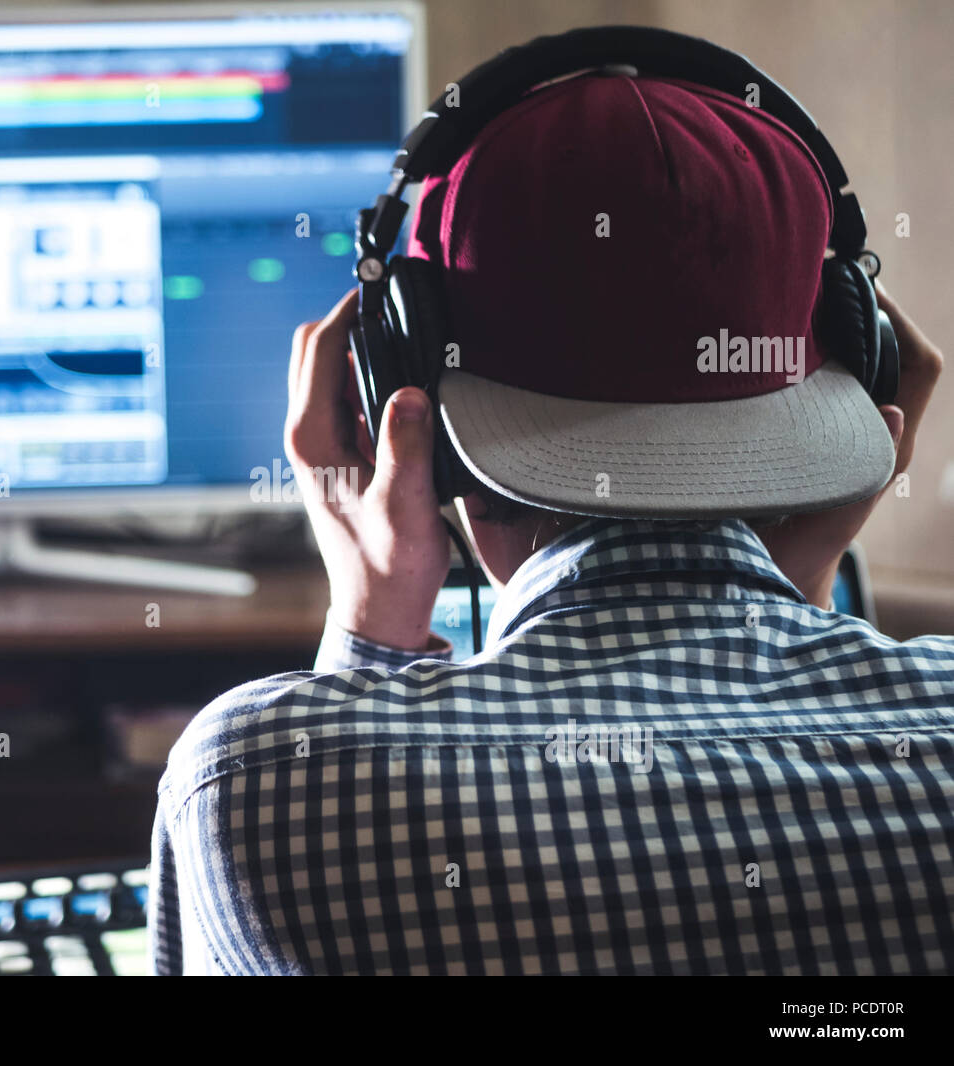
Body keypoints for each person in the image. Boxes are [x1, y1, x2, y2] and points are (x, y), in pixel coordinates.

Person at [147, 59, 951, 975]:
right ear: (858, 369)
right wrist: (796, 594)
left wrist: (369, 640)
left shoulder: (257, 784)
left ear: (386, 401)